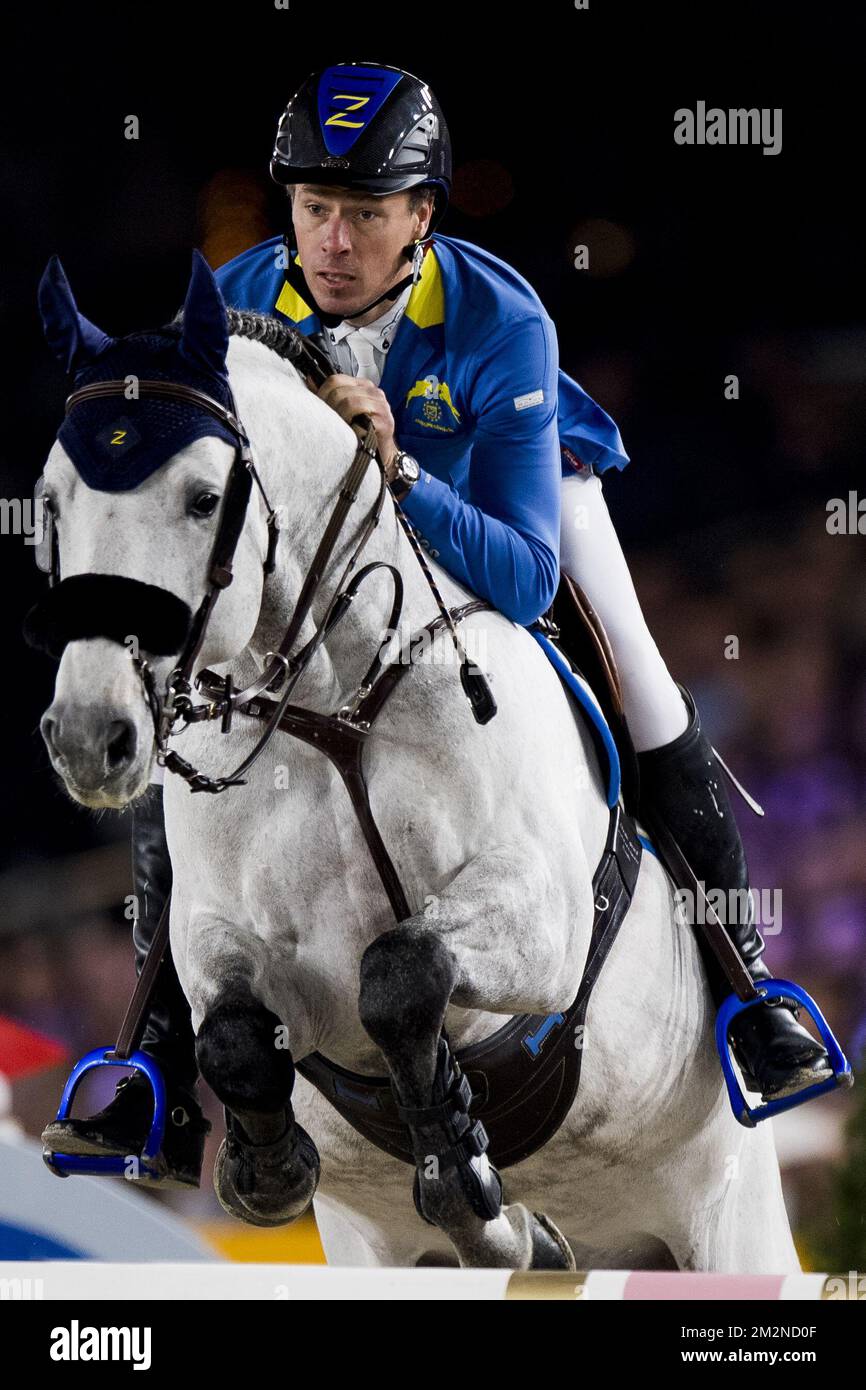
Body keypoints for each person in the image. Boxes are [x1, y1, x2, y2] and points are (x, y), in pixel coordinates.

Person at [46, 60, 830, 1186]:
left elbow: (516, 576)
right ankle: (157, 1060)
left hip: (504, 501)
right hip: (338, 564)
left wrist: (396, 468)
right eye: (314, 209)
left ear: (420, 216)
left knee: (643, 684)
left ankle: (745, 987)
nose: (330, 241)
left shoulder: (500, 315)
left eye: (364, 214)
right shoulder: (235, 301)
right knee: (194, 742)